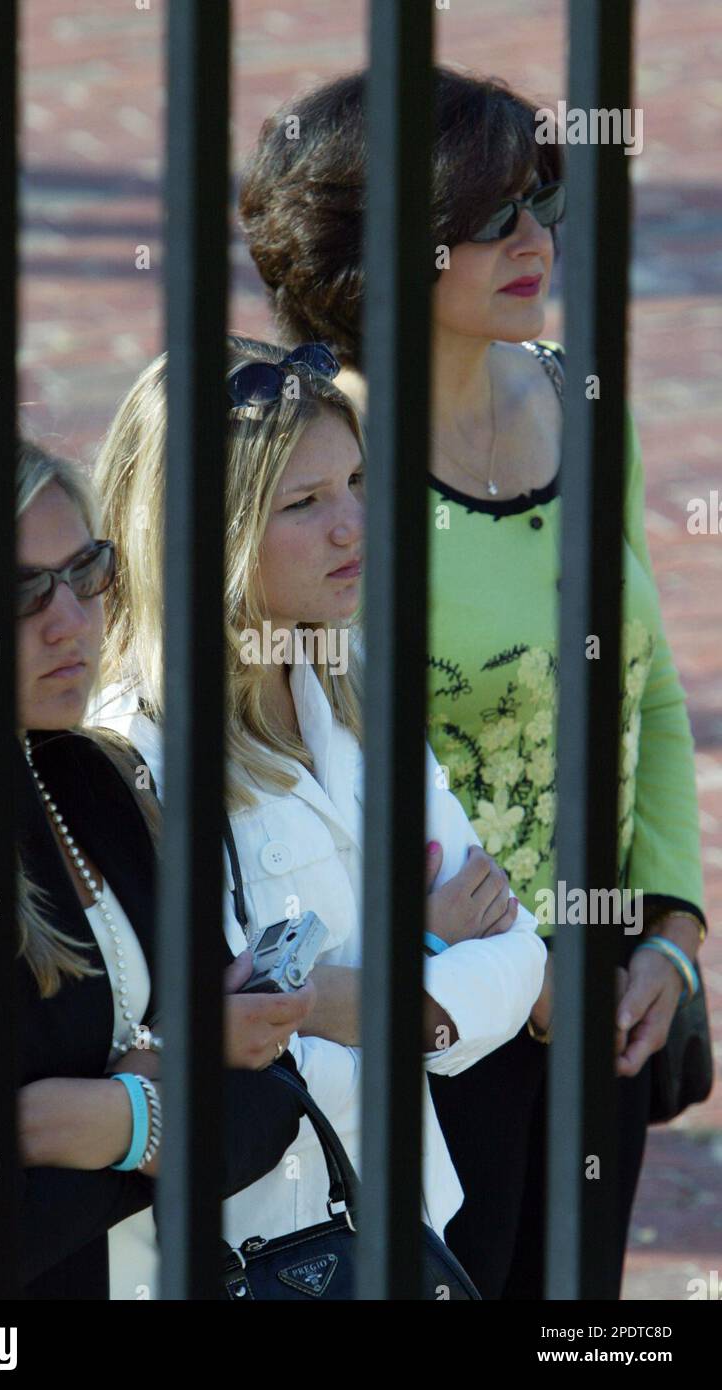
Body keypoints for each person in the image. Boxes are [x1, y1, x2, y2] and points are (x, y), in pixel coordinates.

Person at [236, 66, 708, 1298]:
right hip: (425, 1018)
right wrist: (509, 967)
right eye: (493, 216)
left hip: (604, 1012)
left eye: (540, 200)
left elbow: (644, 693)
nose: (537, 240)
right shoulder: (313, 477)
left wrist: (670, 932)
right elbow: (282, 767)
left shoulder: (576, 399)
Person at [87, 334, 547, 1282]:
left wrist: (336, 995)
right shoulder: (132, 753)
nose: (356, 527)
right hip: (235, 1251)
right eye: (304, 503)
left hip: (394, 1226)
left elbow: (520, 953)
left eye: (358, 482)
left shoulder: (350, 682)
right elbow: (219, 1052)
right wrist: (418, 956)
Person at [0, 419, 313, 1300]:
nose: (70, 621)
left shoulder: (83, 777)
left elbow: (271, 1093)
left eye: (85, 573)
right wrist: (163, 1106)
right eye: (18, 592)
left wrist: (106, 1115)